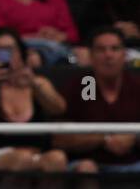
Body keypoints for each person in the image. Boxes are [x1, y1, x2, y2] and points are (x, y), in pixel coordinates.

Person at [0, 28, 75, 172]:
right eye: (1, 51)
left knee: (57, 158)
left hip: (34, 155)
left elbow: (59, 108)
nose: (7, 56)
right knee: (21, 159)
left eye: (11, 50)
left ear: (21, 54)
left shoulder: (39, 82)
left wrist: (34, 84)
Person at [52, 29, 140, 173]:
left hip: (134, 164)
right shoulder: (86, 85)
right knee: (86, 168)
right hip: (92, 164)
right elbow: (59, 138)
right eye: (101, 49)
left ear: (124, 55)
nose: (108, 55)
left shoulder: (136, 86)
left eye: (115, 49)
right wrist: (103, 139)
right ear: (91, 56)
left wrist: (134, 138)